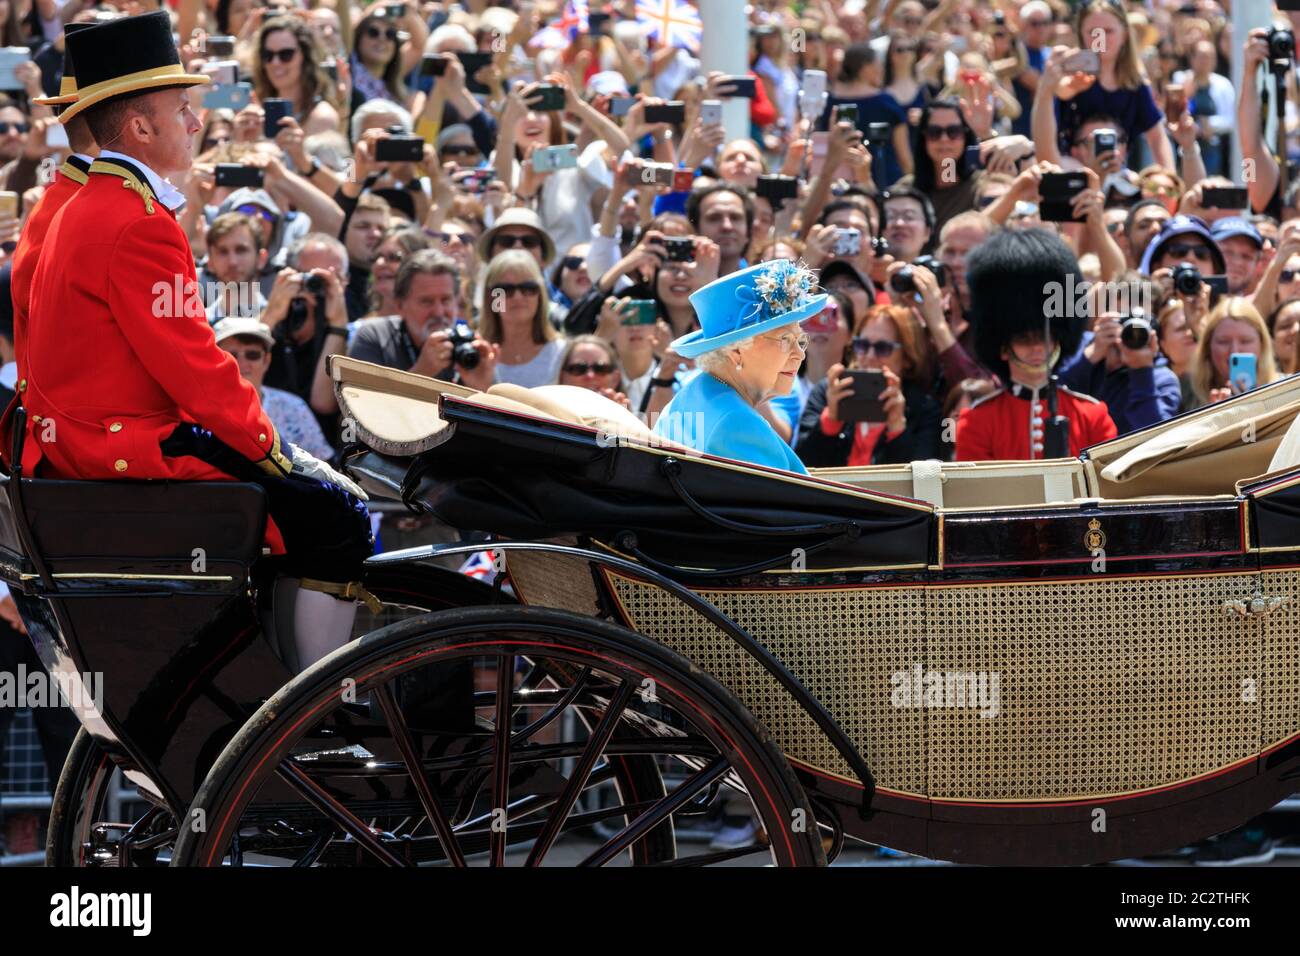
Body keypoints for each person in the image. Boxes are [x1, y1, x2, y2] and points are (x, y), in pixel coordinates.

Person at [22, 12, 370, 676]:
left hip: (92, 438)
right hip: (131, 445)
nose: (197, 121)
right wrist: (277, 453)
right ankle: (309, 707)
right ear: (142, 127)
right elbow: (198, 372)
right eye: (182, 108)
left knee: (312, 508)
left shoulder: (84, 204)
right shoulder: (139, 221)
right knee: (339, 516)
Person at [955, 229, 1118, 460]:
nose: (1037, 348)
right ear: (1003, 348)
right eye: (1024, 339)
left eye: (1045, 337)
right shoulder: (977, 421)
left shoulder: (1092, 415)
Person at [653, 260, 824, 474]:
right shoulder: (737, 425)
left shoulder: (696, 390)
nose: (800, 354)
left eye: (800, 340)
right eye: (785, 340)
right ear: (736, 352)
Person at [797, 303, 944, 467]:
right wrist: (831, 419)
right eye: (862, 345)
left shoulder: (925, 408)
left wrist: (897, 427)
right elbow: (803, 469)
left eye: (883, 348)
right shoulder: (828, 391)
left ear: (907, 358)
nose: (870, 356)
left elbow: (922, 480)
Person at [347, 248, 493, 389]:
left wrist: (480, 389)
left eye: (446, 300)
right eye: (426, 302)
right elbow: (364, 408)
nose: (438, 312)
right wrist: (422, 373)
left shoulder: (469, 347)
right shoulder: (374, 337)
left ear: (456, 301)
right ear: (400, 306)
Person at [213, 316, 331, 461]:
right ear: (215, 359)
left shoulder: (293, 407)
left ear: (267, 360)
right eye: (231, 355)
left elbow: (322, 463)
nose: (242, 363)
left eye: (253, 354)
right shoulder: (199, 408)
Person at [479, 249, 565, 388]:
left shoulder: (563, 353)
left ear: (540, 294)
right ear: (490, 296)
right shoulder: (476, 352)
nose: (518, 297)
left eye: (528, 288)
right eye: (505, 289)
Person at [1187, 296, 1279, 409]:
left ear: (1262, 344)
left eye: (1245, 341)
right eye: (1223, 342)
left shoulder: (1287, 389)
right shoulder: (1188, 396)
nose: (1234, 351)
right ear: (1208, 346)